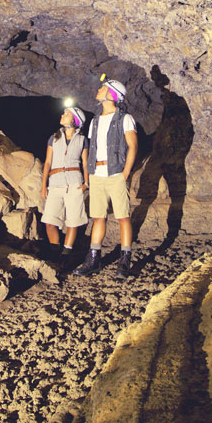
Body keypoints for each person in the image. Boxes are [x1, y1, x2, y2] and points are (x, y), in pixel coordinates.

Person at [74, 78, 139, 278]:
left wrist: (125, 173)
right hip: (97, 174)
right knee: (98, 217)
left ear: (111, 94)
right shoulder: (95, 121)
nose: (99, 90)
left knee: (122, 216)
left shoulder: (124, 118)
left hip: (115, 173)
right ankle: (93, 260)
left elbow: (132, 146)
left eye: (103, 88)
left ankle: (124, 260)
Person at [40, 105, 89, 264]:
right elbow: (47, 162)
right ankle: (55, 251)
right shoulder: (54, 138)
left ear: (75, 120)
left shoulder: (82, 140)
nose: (63, 115)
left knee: (73, 221)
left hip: (74, 182)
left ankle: (65, 255)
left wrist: (86, 183)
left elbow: (85, 162)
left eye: (67, 113)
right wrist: (43, 185)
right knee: (49, 221)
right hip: (55, 182)